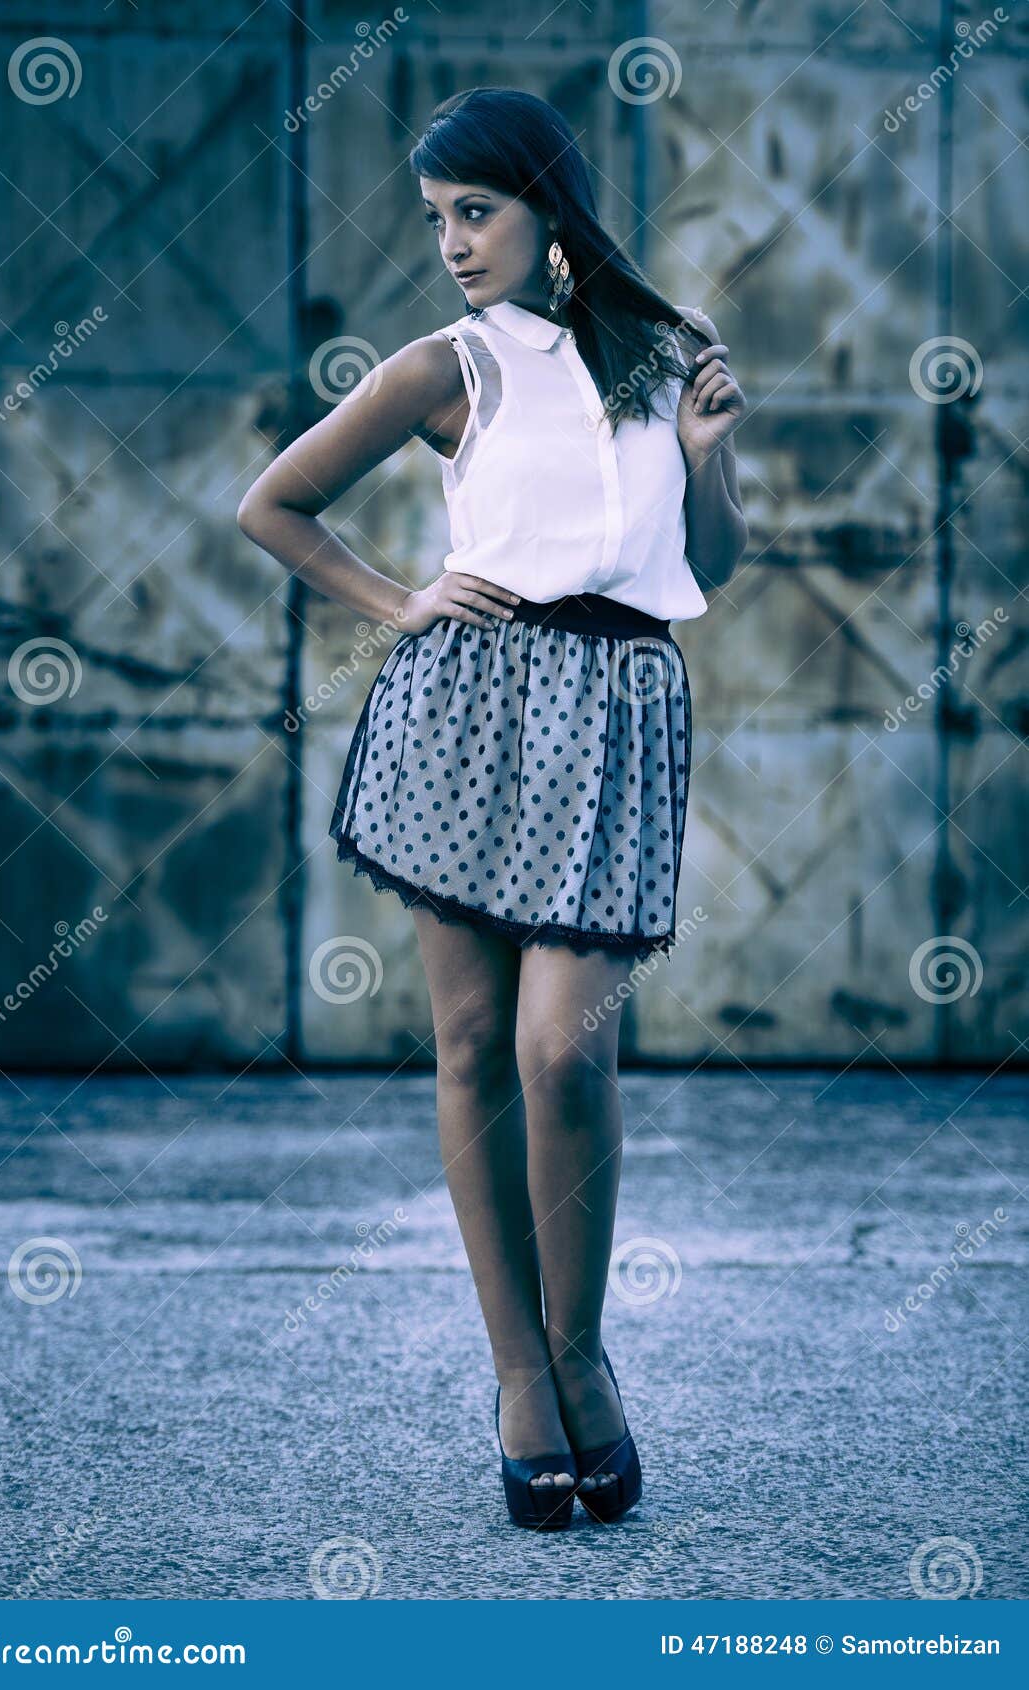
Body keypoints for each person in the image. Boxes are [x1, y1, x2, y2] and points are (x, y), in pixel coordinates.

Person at [237, 86, 747, 1530]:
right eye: (438, 220)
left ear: (549, 205)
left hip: (620, 705)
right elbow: (272, 504)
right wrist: (402, 604)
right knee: (470, 1046)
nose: (455, 244)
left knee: (561, 1052)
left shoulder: (668, 354)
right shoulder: (443, 367)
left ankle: (585, 1357)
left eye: (479, 211)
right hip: (466, 710)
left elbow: (706, 566)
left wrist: (710, 459)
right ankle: (521, 1376)